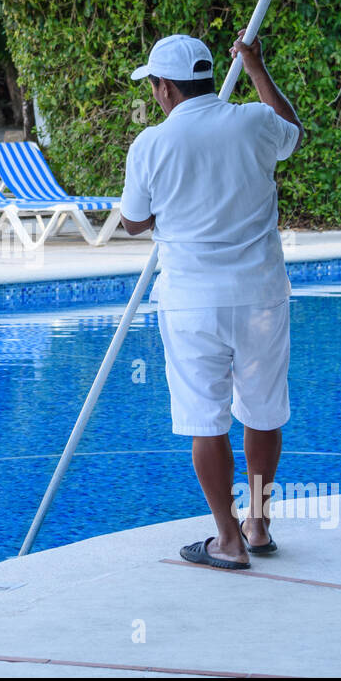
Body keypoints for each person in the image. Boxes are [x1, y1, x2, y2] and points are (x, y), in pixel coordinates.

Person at [120, 32, 304, 569]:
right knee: (263, 413)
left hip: (192, 302)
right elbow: (294, 131)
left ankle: (227, 539)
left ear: (165, 89)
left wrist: (169, 208)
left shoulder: (151, 144)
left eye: (154, 84)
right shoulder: (253, 121)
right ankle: (259, 523)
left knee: (206, 420)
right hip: (261, 296)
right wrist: (256, 67)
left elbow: (133, 222)